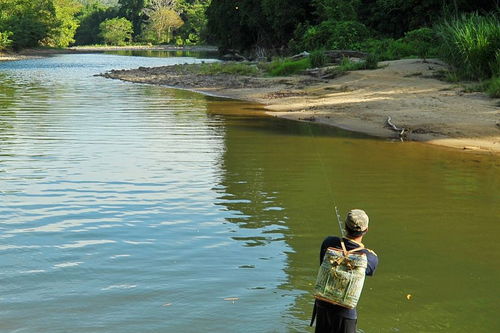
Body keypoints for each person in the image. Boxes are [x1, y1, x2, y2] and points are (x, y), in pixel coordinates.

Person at [313, 209, 378, 333]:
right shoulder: (370, 257)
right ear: (366, 230)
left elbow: (323, 262)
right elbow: (369, 272)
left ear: (345, 226)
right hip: (345, 312)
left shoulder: (329, 242)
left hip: (322, 305)